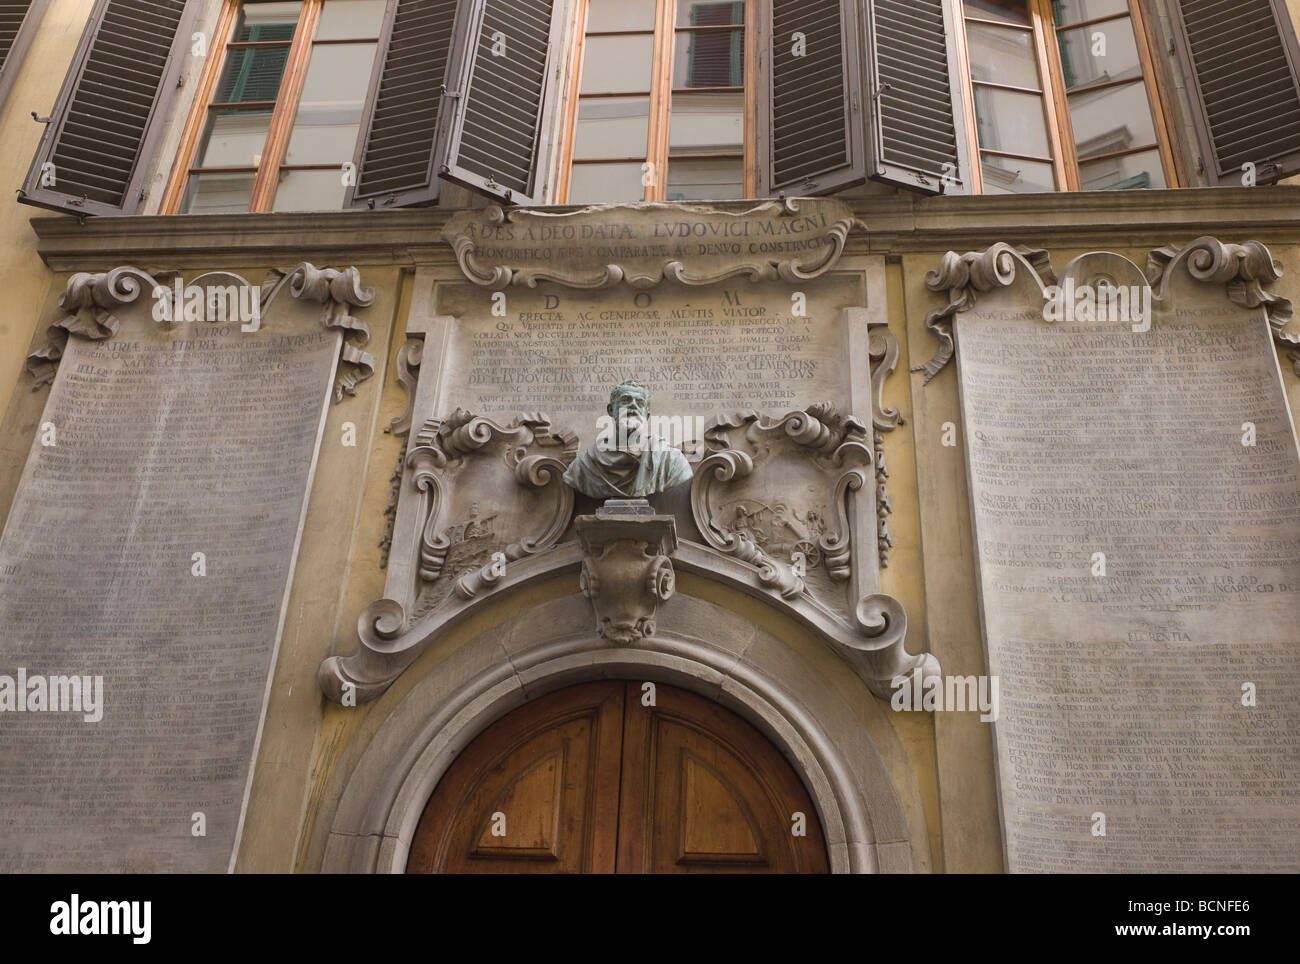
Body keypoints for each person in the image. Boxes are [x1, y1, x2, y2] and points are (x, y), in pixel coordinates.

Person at [563, 380, 693, 499]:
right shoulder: (584, 465)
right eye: (626, 400)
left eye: (640, 402)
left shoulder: (670, 460)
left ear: (646, 415)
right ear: (611, 410)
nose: (633, 405)